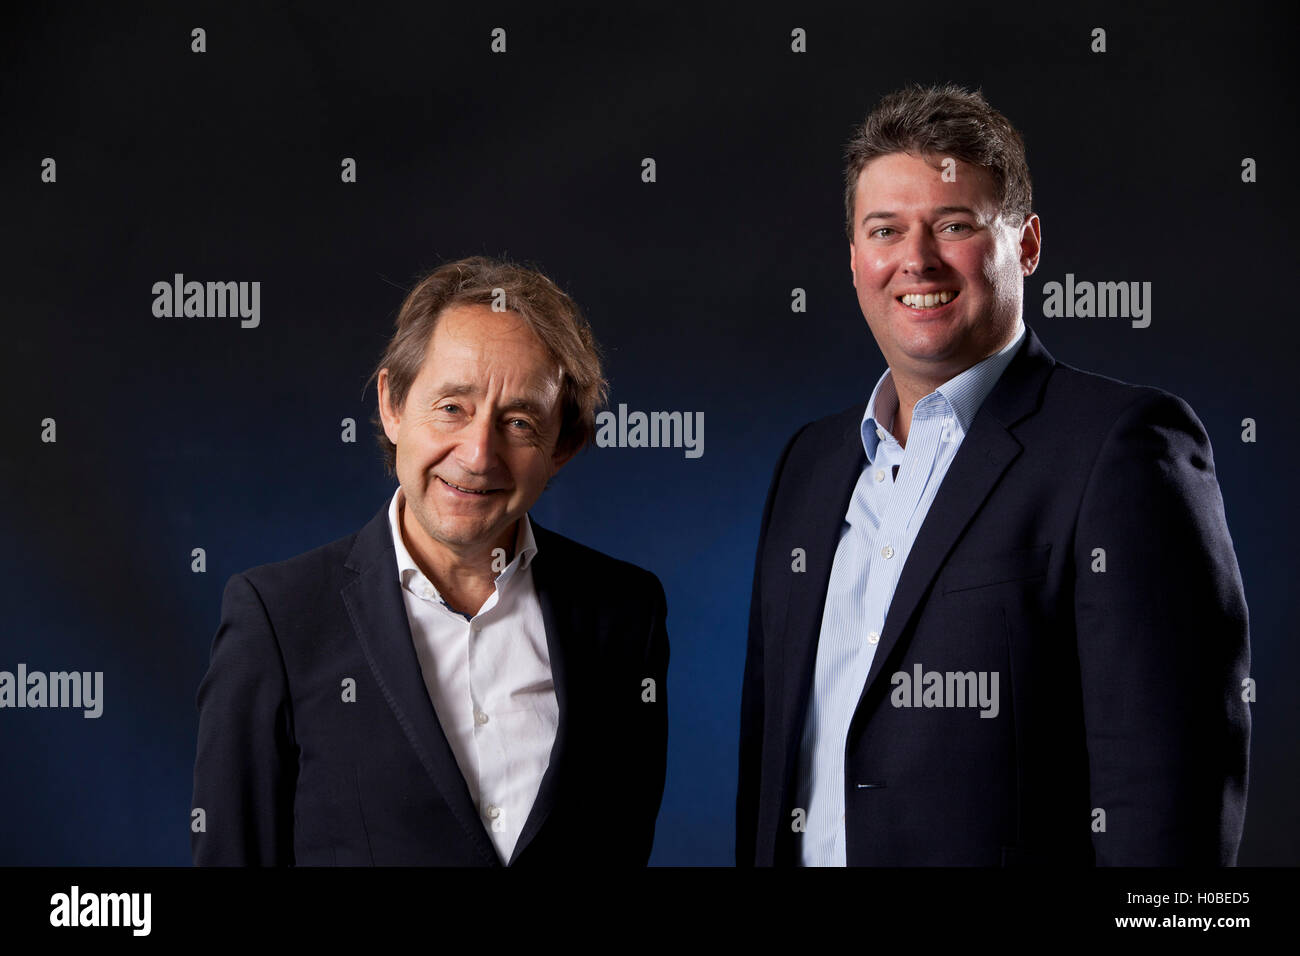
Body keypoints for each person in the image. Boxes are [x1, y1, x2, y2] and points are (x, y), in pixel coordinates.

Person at [736, 84, 1250, 866]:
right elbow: (778, 758)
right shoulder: (809, 464)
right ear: (853, 257)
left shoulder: (1122, 448)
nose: (916, 259)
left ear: (1027, 244)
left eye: (953, 224)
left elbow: (1169, 787)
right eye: (885, 229)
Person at [193, 256, 669, 866]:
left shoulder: (626, 615)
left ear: (563, 447)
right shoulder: (279, 620)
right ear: (393, 405)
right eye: (452, 407)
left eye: (519, 422)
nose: (476, 455)